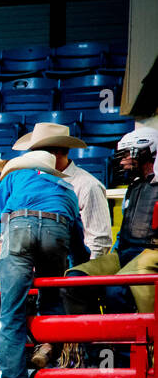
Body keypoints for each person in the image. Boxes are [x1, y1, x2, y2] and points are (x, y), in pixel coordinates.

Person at [0, 150, 88, 378]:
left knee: (12, 315)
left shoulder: (14, 178)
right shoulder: (67, 188)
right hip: (56, 230)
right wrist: (78, 269)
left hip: (20, 228)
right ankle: (48, 350)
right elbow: (78, 241)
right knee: (51, 300)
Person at [64, 127, 158, 317]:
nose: (122, 161)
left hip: (153, 252)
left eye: (126, 155)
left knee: (117, 287)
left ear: (146, 152)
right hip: (124, 251)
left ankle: (126, 344)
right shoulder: (134, 186)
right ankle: (92, 341)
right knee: (74, 279)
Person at [14, 122, 111, 260]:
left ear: (56, 153)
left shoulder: (88, 185)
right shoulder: (35, 181)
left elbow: (99, 241)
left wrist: (82, 273)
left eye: (37, 153)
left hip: (73, 268)